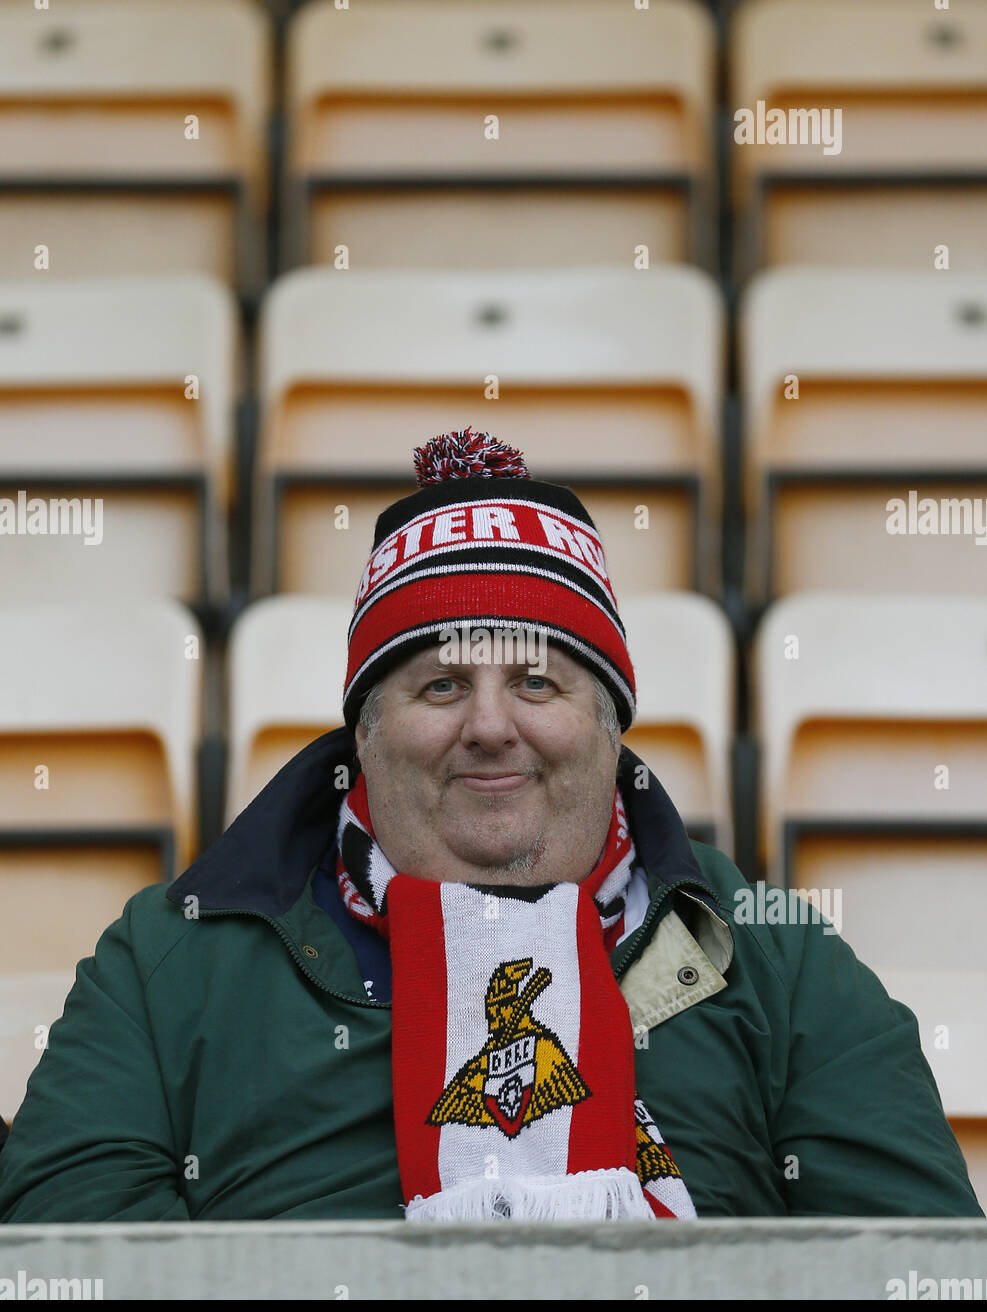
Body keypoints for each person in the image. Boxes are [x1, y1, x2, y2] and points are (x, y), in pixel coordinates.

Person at [0, 428, 982, 1222]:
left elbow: (915, 1283)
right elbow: (73, 1282)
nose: (488, 726)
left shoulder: (766, 947)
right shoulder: (173, 956)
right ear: (367, 730)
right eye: (439, 684)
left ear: (609, 724)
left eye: (537, 680)